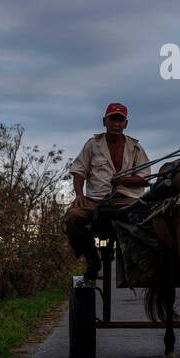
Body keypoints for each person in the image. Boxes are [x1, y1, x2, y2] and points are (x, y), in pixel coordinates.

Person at [64, 102, 150, 280]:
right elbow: (79, 171)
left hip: (127, 199)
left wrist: (124, 180)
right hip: (95, 199)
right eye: (113, 119)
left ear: (126, 124)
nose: (116, 124)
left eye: (120, 120)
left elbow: (144, 178)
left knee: (149, 222)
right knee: (72, 218)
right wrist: (79, 195)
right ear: (105, 121)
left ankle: (136, 264)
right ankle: (92, 259)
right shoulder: (92, 144)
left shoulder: (135, 147)